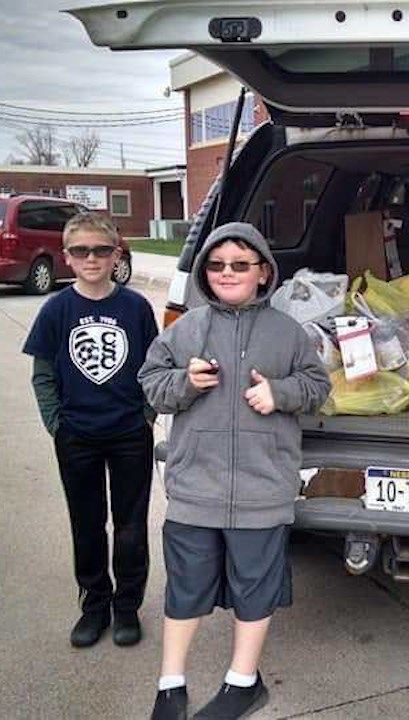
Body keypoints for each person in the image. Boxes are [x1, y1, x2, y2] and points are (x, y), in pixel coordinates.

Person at [139, 222, 331, 720]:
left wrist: (279, 394)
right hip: (194, 488)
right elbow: (151, 383)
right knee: (186, 585)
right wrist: (185, 382)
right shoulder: (186, 329)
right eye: (217, 264)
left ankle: (242, 682)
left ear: (263, 272)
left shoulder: (289, 334)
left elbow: (317, 387)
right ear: (205, 272)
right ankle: (170, 684)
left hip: (261, 490)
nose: (227, 273)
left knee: (254, 586)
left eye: (240, 264)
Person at [22, 212, 158, 648]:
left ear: (116, 253)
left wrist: (147, 415)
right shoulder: (56, 310)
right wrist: (55, 423)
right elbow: (43, 375)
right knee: (86, 523)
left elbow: (155, 368)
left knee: (131, 524)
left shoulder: (135, 308)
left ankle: (126, 607)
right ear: (67, 257)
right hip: (76, 435)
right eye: (81, 251)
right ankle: (94, 604)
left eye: (101, 249)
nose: (91, 258)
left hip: (128, 434)